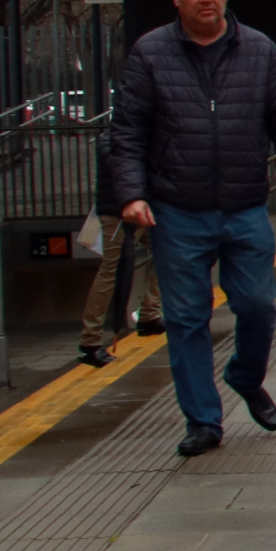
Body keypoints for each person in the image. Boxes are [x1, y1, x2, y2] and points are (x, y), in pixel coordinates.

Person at [108, 0, 276, 458]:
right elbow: (128, 131)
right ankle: (203, 420)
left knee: (258, 306)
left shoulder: (259, 50)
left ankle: (245, 376)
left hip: (245, 206)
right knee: (186, 318)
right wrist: (131, 194)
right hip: (176, 210)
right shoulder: (150, 53)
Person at [74, 104, 162, 369]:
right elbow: (124, 167)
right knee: (111, 271)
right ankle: (90, 340)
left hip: (141, 211)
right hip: (118, 215)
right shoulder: (113, 141)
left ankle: (149, 313)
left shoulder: (136, 139)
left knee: (167, 253)